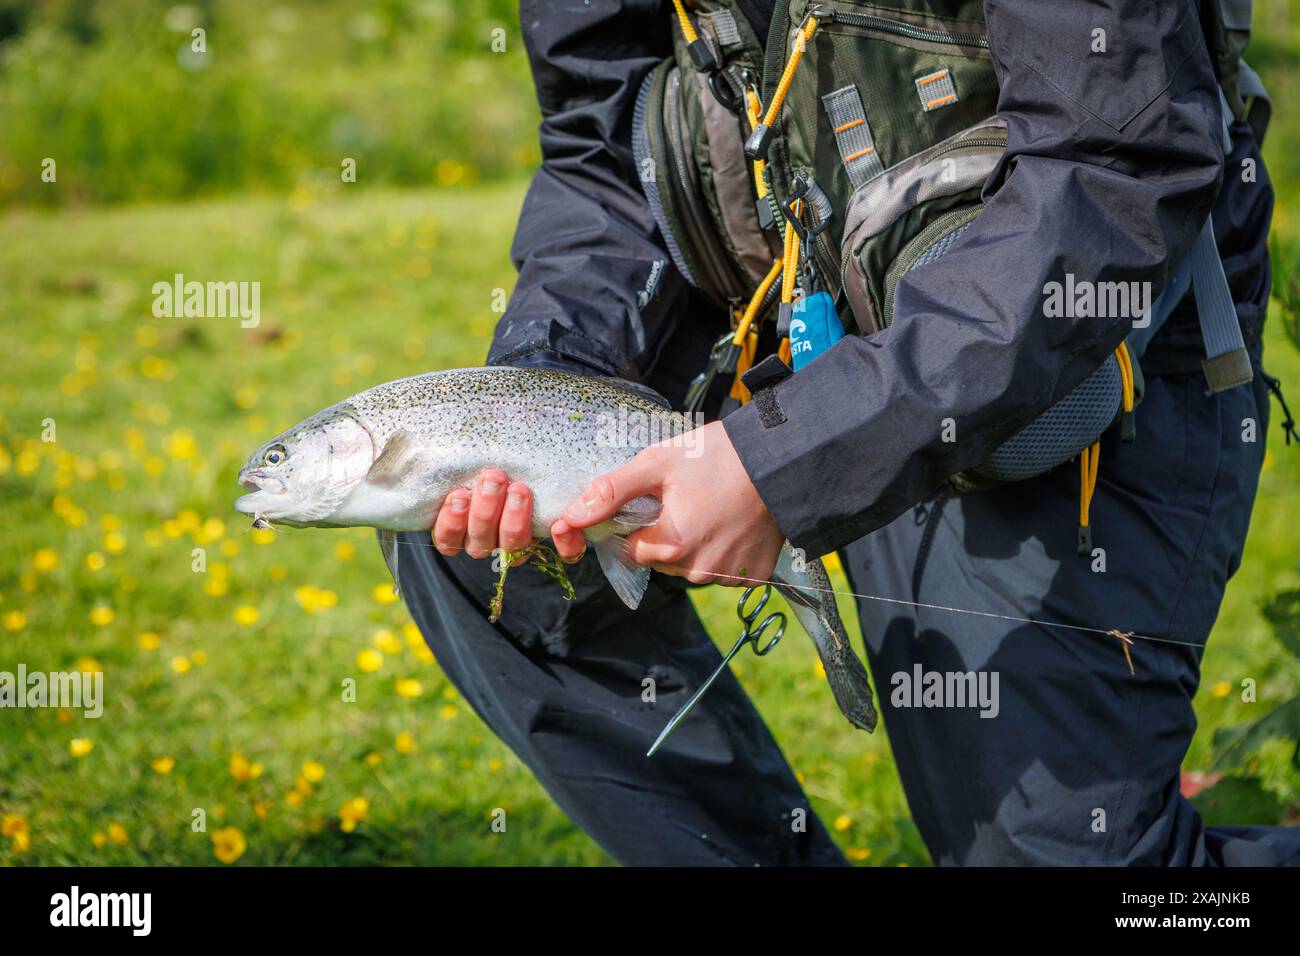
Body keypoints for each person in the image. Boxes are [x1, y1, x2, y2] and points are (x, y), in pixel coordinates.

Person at [395, 0, 1300, 865]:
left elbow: (1111, 170)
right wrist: (552, 393)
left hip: (1060, 356)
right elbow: (603, 154)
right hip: (791, 310)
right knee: (479, 550)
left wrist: (785, 464)